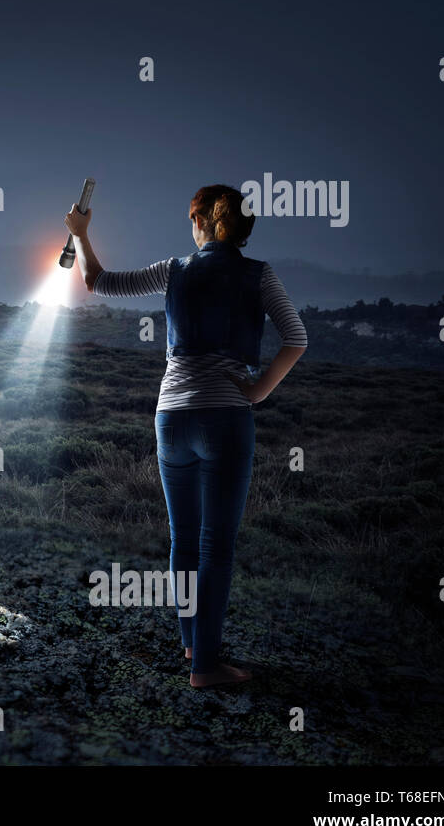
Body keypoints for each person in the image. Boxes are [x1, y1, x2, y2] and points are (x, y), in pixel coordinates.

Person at [64, 185, 307, 688]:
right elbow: (296, 339)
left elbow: (97, 280)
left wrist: (81, 235)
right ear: (243, 229)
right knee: (217, 544)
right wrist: (258, 391)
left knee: (183, 540)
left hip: (170, 415)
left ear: (200, 223)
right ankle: (206, 667)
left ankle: (192, 643)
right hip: (225, 416)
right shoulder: (259, 274)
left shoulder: (172, 270)